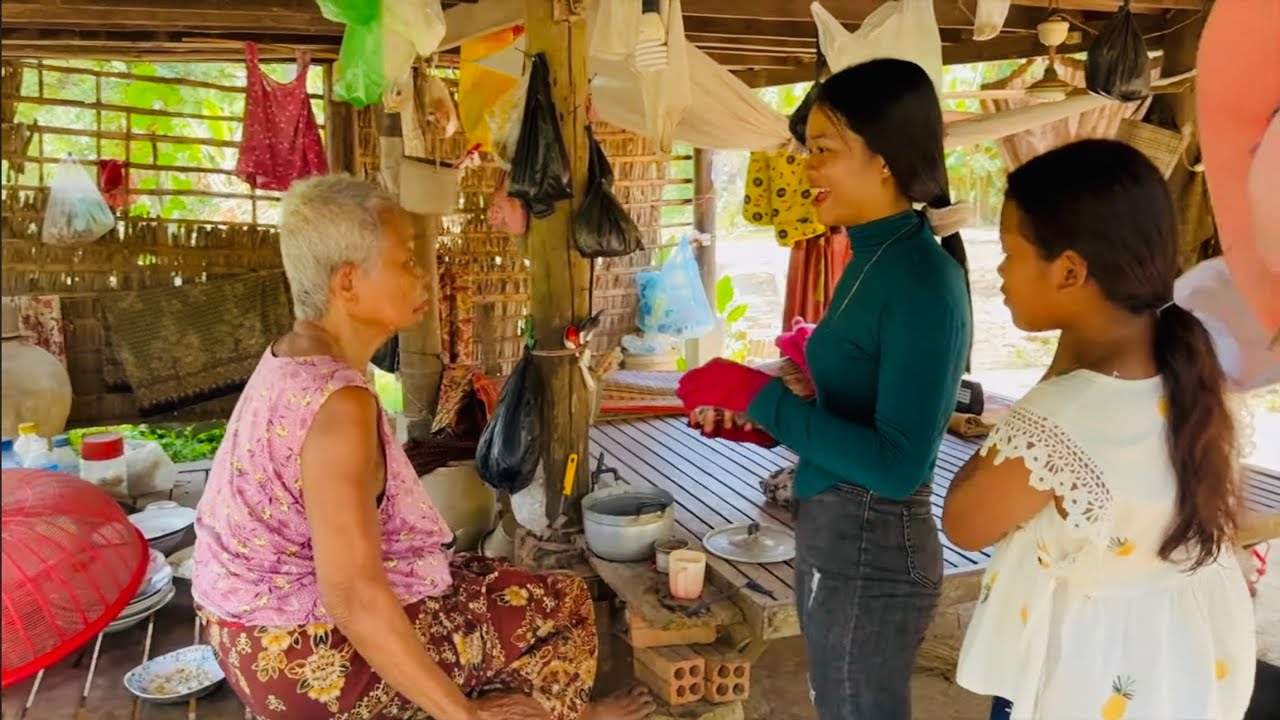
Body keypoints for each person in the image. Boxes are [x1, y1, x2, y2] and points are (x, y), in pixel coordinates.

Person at [191, 175, 653, 720]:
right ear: (347, 283)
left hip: (244, 636)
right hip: (305, 659)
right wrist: (464, 715)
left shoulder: (289, 356)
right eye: (407, 260)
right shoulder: (337, 405)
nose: (423, 275)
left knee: (480, 576)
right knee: (563, 604)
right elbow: (353, 596)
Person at [677, 58, 973, 720]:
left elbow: (897, 465)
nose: (805, 168)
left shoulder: (921, 279)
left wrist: (760, 397)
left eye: (823, 150)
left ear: (884, 159)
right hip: (839, 534)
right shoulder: (872, 257)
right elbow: (860, 408)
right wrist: (772, 416)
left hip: (875, 545)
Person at [943, 140, 1256, 720]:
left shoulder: (1062, 414)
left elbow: (964, 522)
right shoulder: (1192, 376)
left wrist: (1057, 370)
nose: (1000, 271)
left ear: (1069, 270)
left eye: (1010, 252)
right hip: (1174, 676)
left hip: (1075, 682)